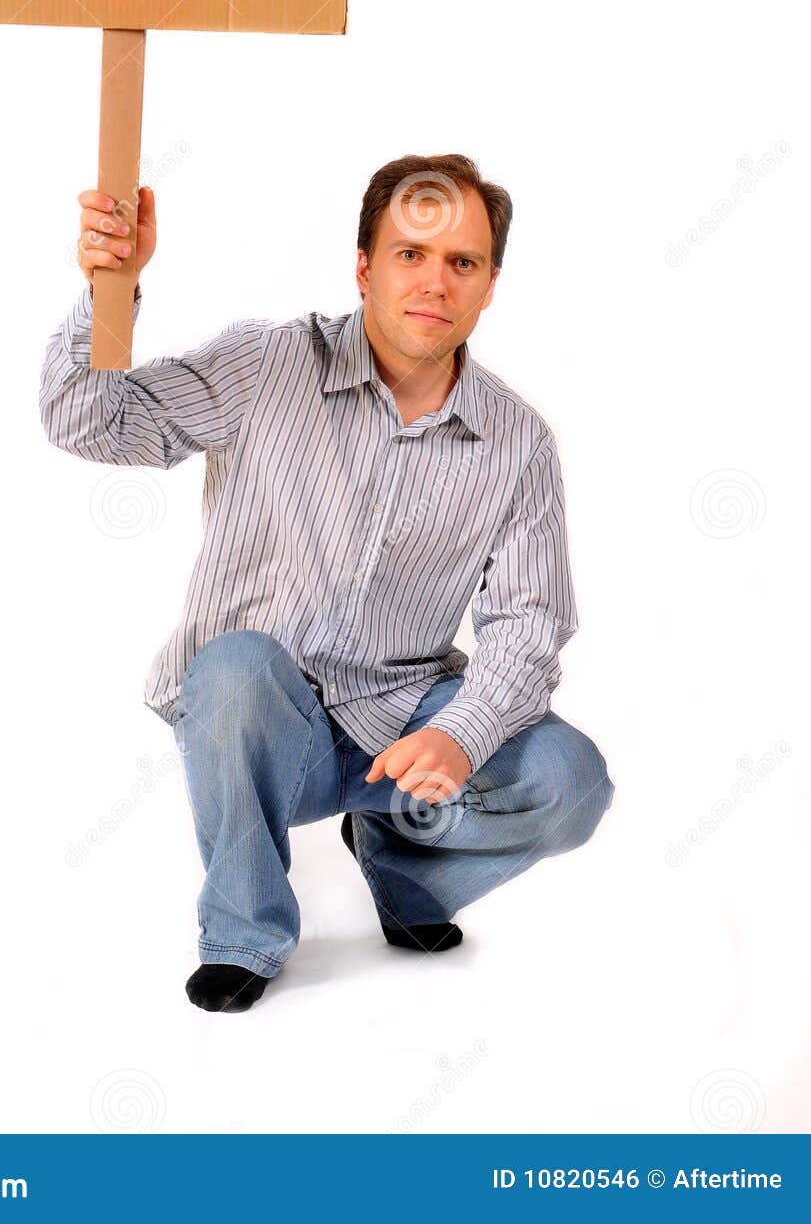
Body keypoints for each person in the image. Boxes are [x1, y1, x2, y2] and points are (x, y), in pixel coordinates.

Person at [39, 153, 615, 1013]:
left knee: (571, 779)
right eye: (409, 254)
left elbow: (527, 625)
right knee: (233, 666)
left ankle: (404, 872)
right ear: (363, 266)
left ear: (489, 284)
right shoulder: (266, 364)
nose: (434, 282)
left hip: (403, 716)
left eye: (461, 262)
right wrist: (109, 289)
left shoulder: (517, 440)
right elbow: (89, 420)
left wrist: (460, 734)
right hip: (262, 721)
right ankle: (243, 931)